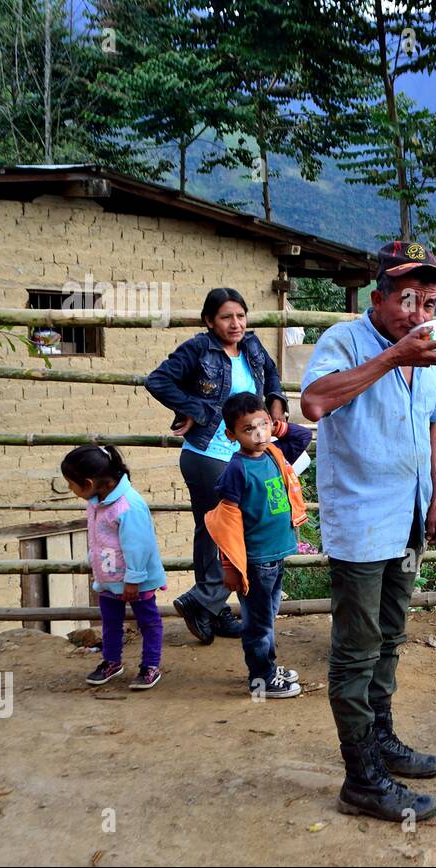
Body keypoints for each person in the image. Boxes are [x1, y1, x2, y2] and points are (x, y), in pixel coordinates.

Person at [300, 239, 436, 823]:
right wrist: (395, 358)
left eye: (430, 302)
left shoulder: (431, 347)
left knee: (391, 635)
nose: (420, 314)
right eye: (409, 300)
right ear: (379, 296)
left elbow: (434, 424)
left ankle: (383, 741)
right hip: (362, 524)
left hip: (409, 515)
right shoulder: (343, 342)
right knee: (356, 650)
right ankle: (361, 778)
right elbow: (314, 404)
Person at [145, 288, 289, 645]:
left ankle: (212, 606)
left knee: (225, 533)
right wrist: (197, 409)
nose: (235, 324)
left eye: (240, 316)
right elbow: (157, 380)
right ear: (210, 321)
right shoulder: (198, 349)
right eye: (226, 317)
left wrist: (275, 402)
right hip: (208, 454)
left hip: (243, 456)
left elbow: (270, 374)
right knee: (217, 531)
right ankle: (203, 600)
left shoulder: (252, 346)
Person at [204, 393, 313, 700]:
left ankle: (267, 666)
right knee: (258, 622)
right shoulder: (237, 469)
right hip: (255, 560)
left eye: (263, 425)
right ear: (231, 435)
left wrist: (278, 427)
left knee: (267, 615)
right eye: (248, 429)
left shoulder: (273, 455)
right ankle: (261, 679)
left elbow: (303, 435)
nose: (259, 434)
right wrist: (229, 566)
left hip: (276, 555)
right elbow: (226, 522)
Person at [62, 444, 167, 691]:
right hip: (109, 578)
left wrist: (133, 580)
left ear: (88, 483)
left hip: (136, 579)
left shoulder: (128, 506)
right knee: (110, 622)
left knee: (148, 622)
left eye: (71, 483)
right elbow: (99, 539)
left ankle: (150, 665)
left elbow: (138, 546)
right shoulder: (95, 502)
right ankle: (111, 662)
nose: (70, 489)